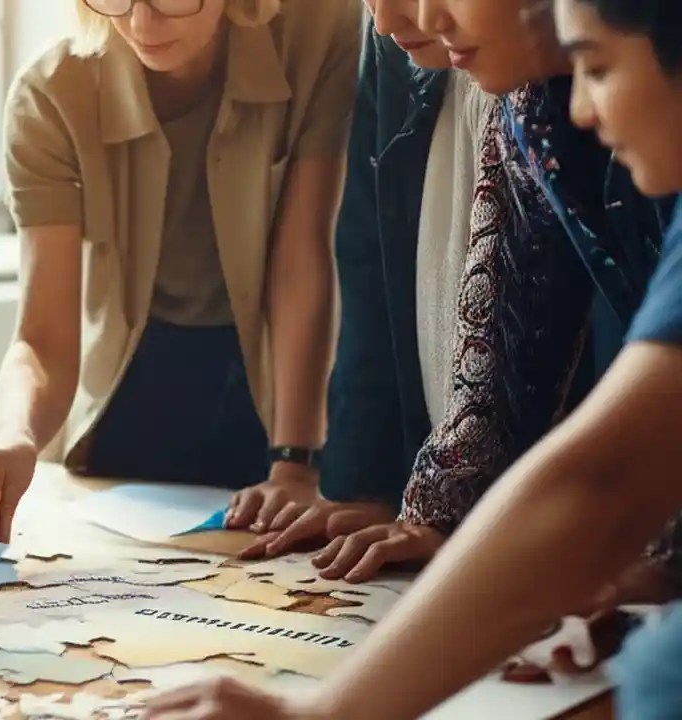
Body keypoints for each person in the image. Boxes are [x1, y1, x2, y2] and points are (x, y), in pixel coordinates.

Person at [141, 0, 682, 716]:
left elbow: (603, 480)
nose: (581, 108)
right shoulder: (530, 110)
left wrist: (320, 713)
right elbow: (500, 348)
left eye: (599, 66)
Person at [253, 0, 678, 586]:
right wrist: (437, 512)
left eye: (598, 67)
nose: (404, 20)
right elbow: (502, 329)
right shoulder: (529, 105)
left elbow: (612, 445)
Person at [0, 0, 362, 545]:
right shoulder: (49, 95)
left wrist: (294, 463)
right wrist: (11, 438)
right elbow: (42, 337)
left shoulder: (321, 29)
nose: (141, 24)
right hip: (127, 395)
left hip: (276, 390)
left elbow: (301, 259)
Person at [223, 0, 501, 548]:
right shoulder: (391, 45)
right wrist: (363, 488)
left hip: (545, 520)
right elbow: (368, 265)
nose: (384, 22)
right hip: (438, 500)